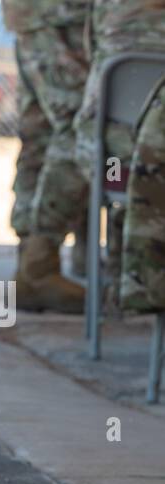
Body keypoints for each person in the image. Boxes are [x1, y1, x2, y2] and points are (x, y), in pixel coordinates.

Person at [75, 0, 165, 312]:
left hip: (118, 162)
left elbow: (89, 122)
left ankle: (117, 283)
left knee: (116, 183)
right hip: (155, 168)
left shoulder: (113, 25)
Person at [3, 0, 92, 312]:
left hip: (42, 17)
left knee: (41, 136)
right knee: (84, 129)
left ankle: (31, 266)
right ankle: (37, 266)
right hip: (61, 18)